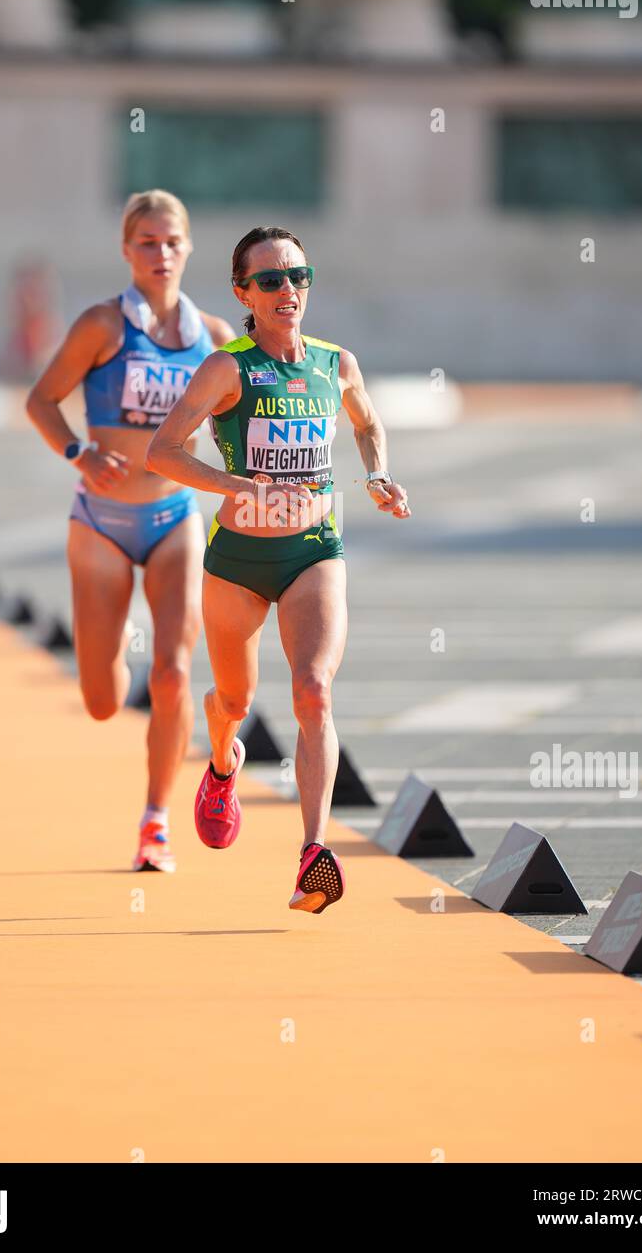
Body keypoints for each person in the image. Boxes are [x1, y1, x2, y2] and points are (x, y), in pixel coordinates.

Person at [147, 226, 410, 913]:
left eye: (298, 277)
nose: (288, 291)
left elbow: (366, 421)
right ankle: (222, 759)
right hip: (237, 562)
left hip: (312, 550)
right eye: (270, 281)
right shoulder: (227, 369)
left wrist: (378, 474)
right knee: (232, 700)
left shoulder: (335, 362)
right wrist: (241, 488)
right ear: (243, 293)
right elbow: (164, 452)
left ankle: (313, 855)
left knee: (313, 691)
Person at [25, 190, 234, 872]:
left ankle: (156, 821)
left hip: (175, 519)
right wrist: (78, 453)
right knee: (101, 702)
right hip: (102, 526)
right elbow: (42, 400)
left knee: (174, 674)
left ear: (189, 248)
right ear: (126, 250)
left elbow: (245, 419)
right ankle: (105, 663)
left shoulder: (214, 334)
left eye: (172, 241)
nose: (161, 253)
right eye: (147, 241)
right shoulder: (102, 326)